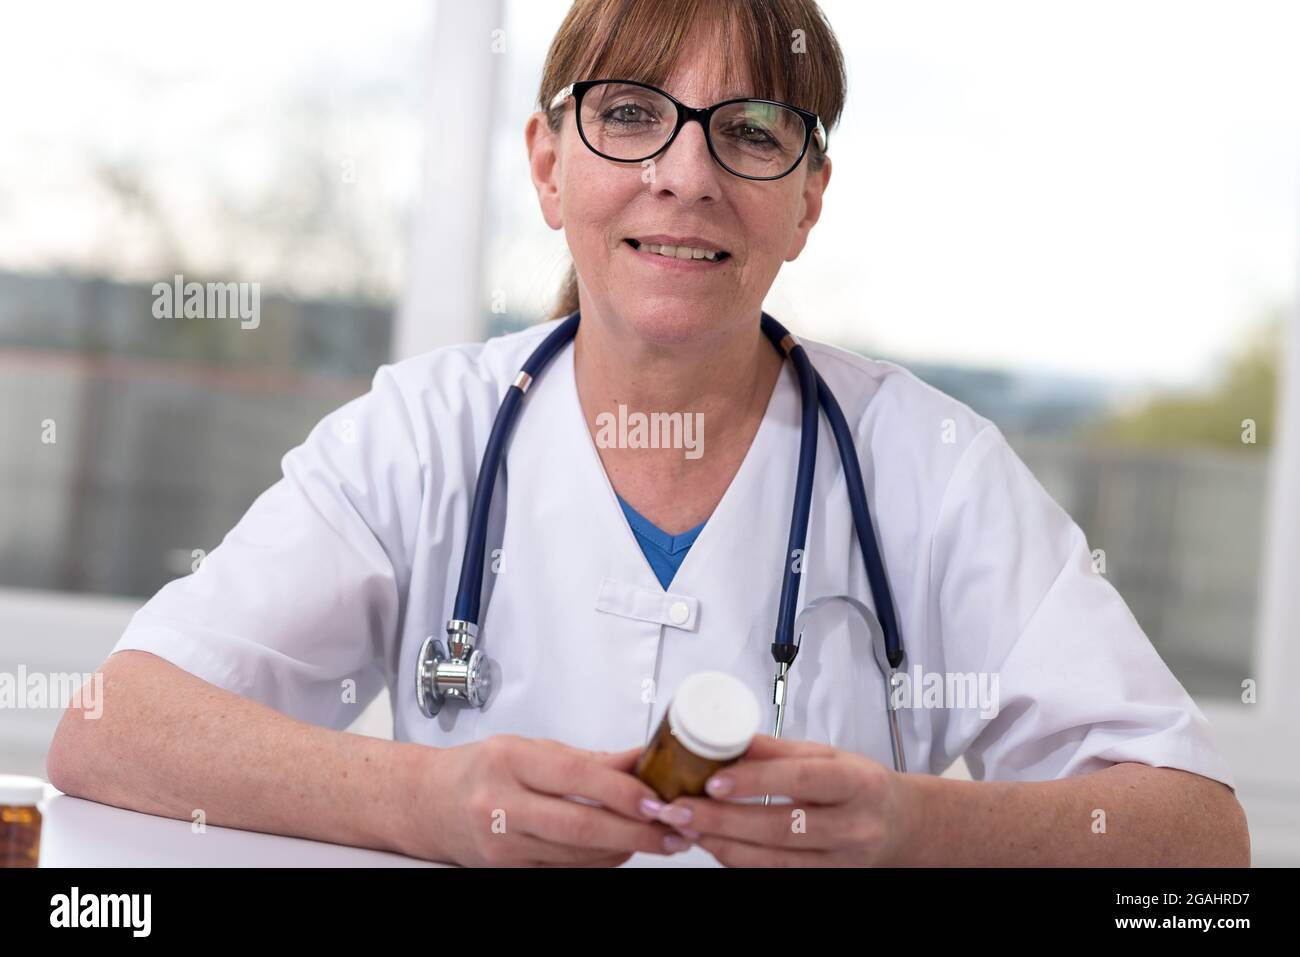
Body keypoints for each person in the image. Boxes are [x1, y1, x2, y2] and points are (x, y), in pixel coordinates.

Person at [47, 0, 1249, 867]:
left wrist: (911, 825)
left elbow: (1194, 833)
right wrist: (428, 800)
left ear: (807, 198)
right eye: (630, 114)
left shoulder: (929, 467)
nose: (687, 174)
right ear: (549, 166)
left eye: (753, 129)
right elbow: (116, 730)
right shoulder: (425, 432)